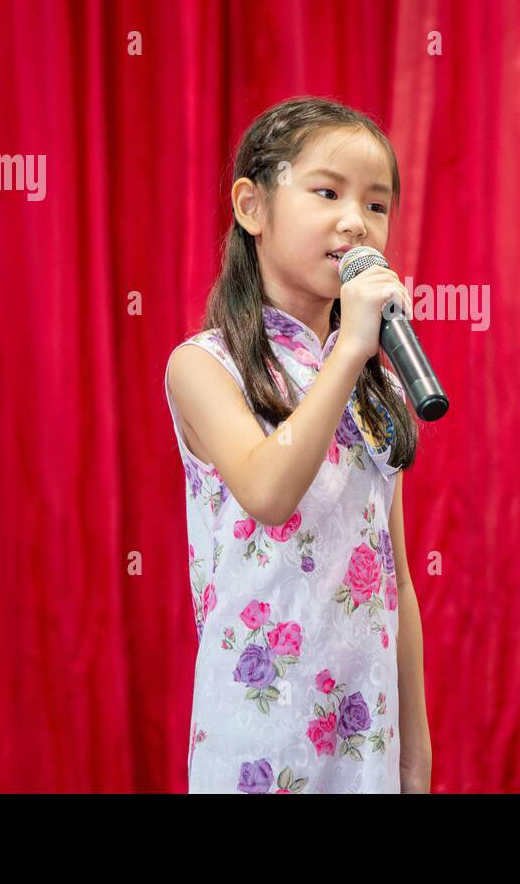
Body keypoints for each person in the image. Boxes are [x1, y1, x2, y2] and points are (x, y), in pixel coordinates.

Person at [164, 96, 433, 793]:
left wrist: (414, 753)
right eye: (327, 192)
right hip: (261, 740)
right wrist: (350, 351)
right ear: (252, 207)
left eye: (376, 206)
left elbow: (397, 578)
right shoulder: (204, 365)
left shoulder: (378, 390)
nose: (356, 220)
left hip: (364, 731)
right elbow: (269, 491)